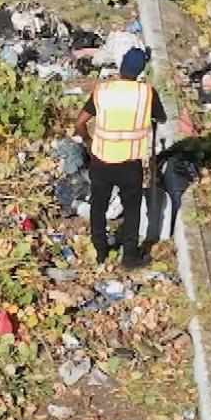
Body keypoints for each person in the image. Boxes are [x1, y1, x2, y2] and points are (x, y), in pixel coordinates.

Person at [73, 47, 167, 268]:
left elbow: (79, 123)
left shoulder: (102, 90)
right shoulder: (147, 94)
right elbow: (161, 119)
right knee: (132, 209)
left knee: (99, 206)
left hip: (101, 160)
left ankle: (101, 252)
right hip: (129, 163)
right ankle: (130, 256)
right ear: (141, 71)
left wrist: (88, 141)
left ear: (120, 66)